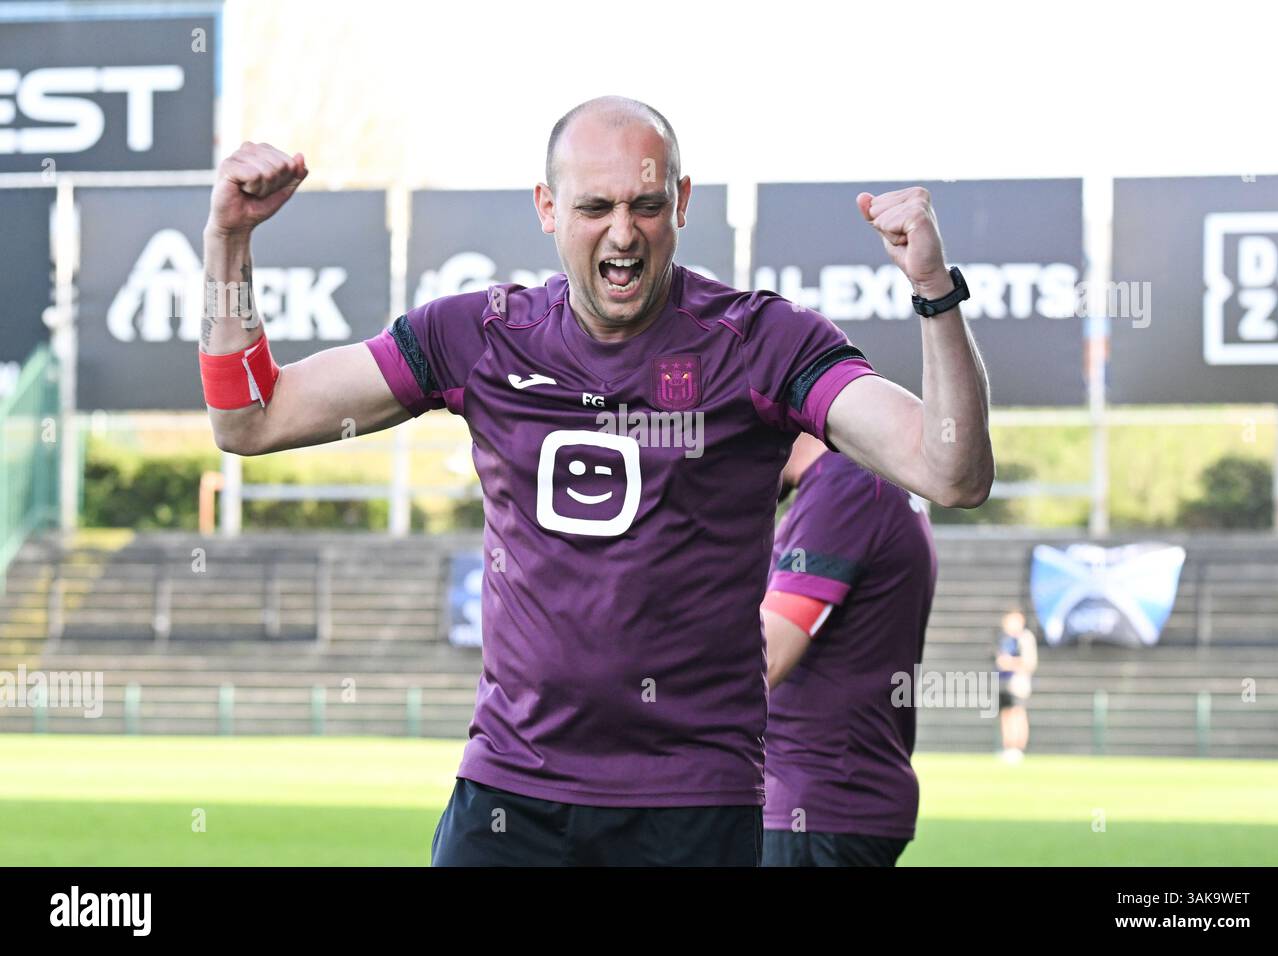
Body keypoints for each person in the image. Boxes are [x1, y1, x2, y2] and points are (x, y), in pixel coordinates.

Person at [197, 95, 993, 866]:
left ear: (682, 202)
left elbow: (950, 470)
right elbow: (251, 419)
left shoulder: (761, 341)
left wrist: (934, 290)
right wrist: (229, 239)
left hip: (692, 807)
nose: (623, 233)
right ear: (547, 207)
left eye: (647, 205)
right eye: (595, 207)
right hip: (510, 795)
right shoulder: (479, 336)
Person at [760, 434, 936, 867]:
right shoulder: (857, 483)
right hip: (830, 799)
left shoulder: (847, 486)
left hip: (817, 801)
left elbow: (767, 656)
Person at [996, 609, 1038, 762]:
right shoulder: (1004, 639)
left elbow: (1029, 663)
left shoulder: (1025, 638)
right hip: (1003, 683)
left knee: (1017, 714)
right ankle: (1008, 747)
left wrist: (1010, 663)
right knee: (1006, 715)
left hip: (1018, 684)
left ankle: (1018, 748)